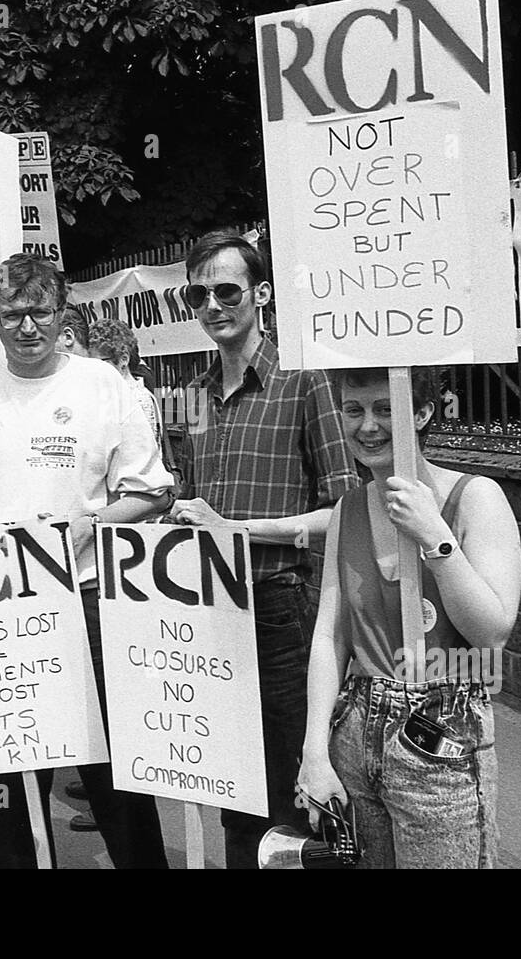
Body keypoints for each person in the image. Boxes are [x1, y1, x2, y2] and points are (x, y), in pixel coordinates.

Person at [0, 252, 172, 869]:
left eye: (39, 312)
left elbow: (150, 491)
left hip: (91, 600)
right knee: (13, 771)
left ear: (62, 314)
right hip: (4, 604)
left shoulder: (101, 386)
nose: (27, 327)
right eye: (12, 314)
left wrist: (89, 529)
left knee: (114, 762)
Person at [169, 230, 360, 869]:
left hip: (280, 608)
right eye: (199, 294)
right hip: (208, 610)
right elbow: (189, 501)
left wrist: (239, 530)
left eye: (227, 290)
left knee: (289, 783)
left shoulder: (306, 383)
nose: (213, 305)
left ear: (261, 294)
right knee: (229, 779)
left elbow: (346, 512)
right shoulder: (190, 396)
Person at [297, 366, 521, 868]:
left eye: (386, 408)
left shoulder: (475, 497)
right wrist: (314, 751)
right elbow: (330, 636)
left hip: (439, 733)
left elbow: (492, 632)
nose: (368, 425)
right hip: (356, 729)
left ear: (421, 413)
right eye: (354, 410)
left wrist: (434, 537)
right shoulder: (347, 511)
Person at [88, 318, 161, 445]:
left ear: (123, 359)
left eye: (98, 363)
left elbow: (138, 456)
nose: (92, 371)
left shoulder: (136, 401)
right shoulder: (114, 395)